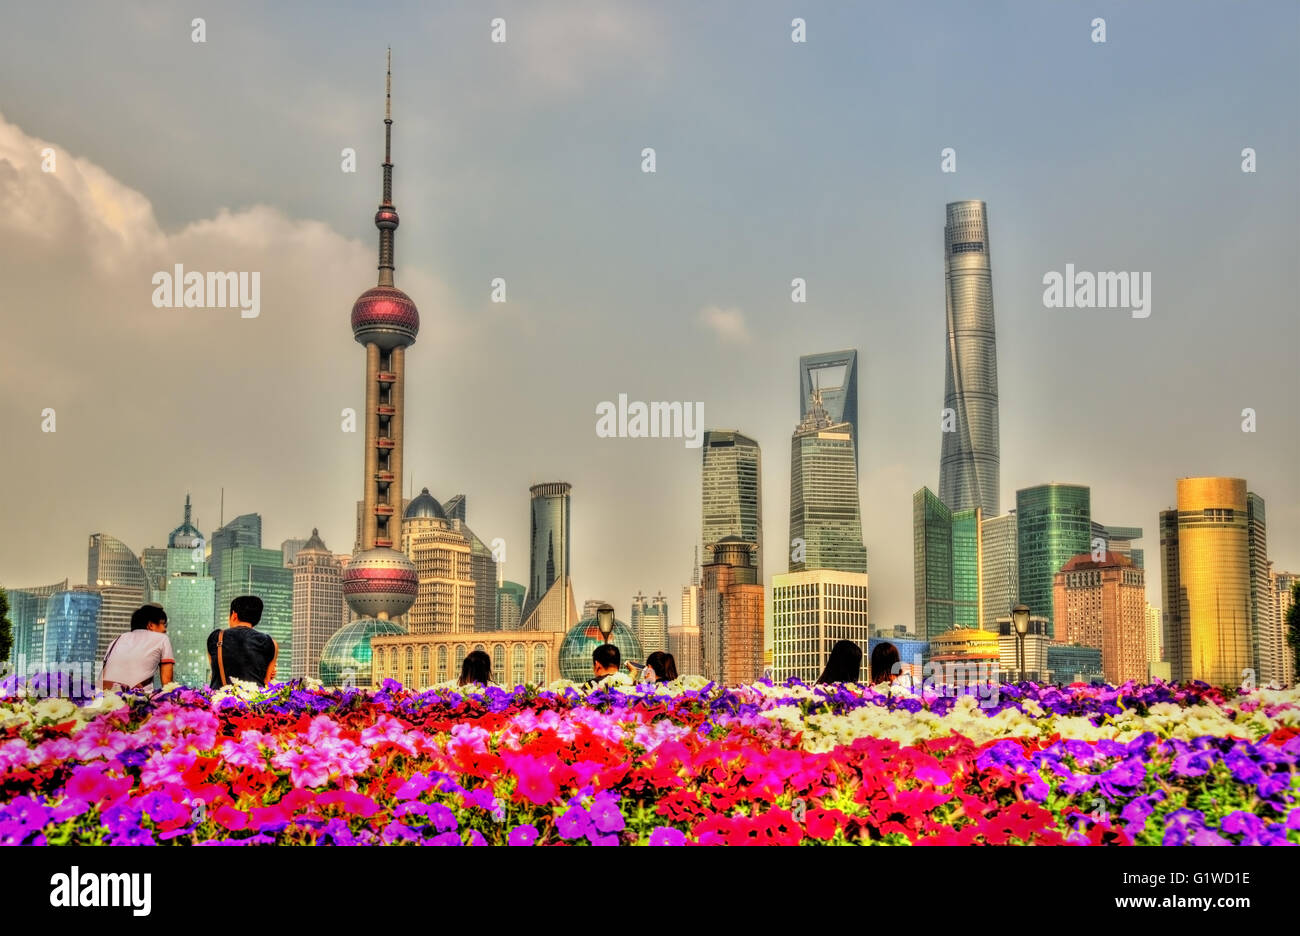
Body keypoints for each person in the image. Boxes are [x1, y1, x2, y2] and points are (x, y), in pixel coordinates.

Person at [207, 595, 278, 689]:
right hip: (253, 701)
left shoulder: (216, 638)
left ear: (234, 615)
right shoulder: (270, 643)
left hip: (221, 701)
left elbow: (215, 674)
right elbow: (267, 681)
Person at [101, 604, 174, 692]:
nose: (164, 629)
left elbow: (104, 674)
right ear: (150, 625)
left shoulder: (117, 639)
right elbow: (167, 685)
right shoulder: (162, 638)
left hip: (105, 697)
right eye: (163, 624)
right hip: (135, 700)